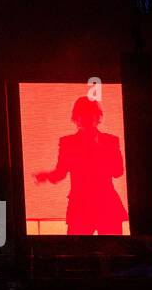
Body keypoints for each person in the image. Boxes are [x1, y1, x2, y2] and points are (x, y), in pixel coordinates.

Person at [33, 96, 128, 236]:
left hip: (106, 204)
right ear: (76, 118)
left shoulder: (110, 141)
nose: (87, 119)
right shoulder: (68, 143)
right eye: (83, 115)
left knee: (112, 251)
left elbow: (118, 171)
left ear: (98, 117)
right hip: (81, 206)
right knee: (77, 252)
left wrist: (101, 150)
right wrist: (47, 176)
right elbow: (60, 173)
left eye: (90, 115)